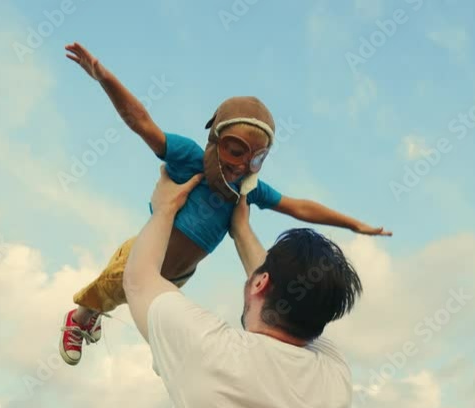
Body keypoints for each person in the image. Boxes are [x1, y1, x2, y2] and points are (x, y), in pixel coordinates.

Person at [58, 42, 389, 366]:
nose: (242, 165)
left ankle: (121, 332)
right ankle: (79, 318)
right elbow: (141, 122)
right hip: (142, 256)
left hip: (178, 274)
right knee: (108, 292)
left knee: (157, 317)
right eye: (235, 150)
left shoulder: (246, 190)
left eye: (255, 157)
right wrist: (104, 78)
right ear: (216, 141)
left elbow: (298, 206)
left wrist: (353, 224)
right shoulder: (191, 159)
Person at [120, 164, 361, 408]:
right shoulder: (335, 377)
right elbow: (289, 294)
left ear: (261, 283)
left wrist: (164, 208)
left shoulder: (210, 352)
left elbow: (139, 281)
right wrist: (242, 230)